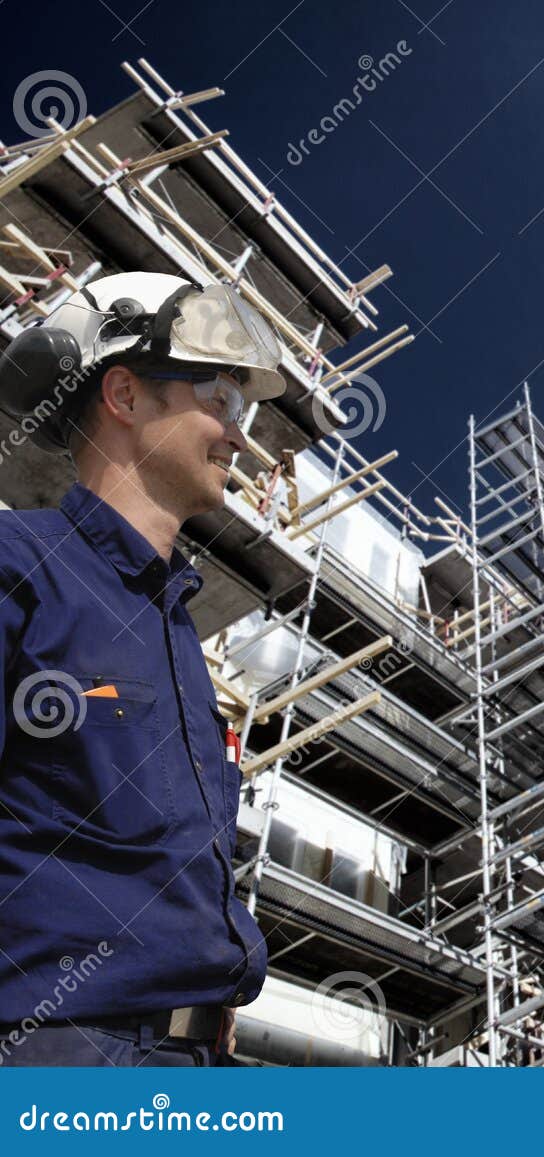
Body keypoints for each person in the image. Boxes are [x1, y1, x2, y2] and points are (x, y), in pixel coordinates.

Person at [0, 271, 284, 1066]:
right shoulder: (20, 567)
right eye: (219, 399)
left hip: (191, 1056)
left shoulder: (175, 630)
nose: (236, 436)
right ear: (124, 394)